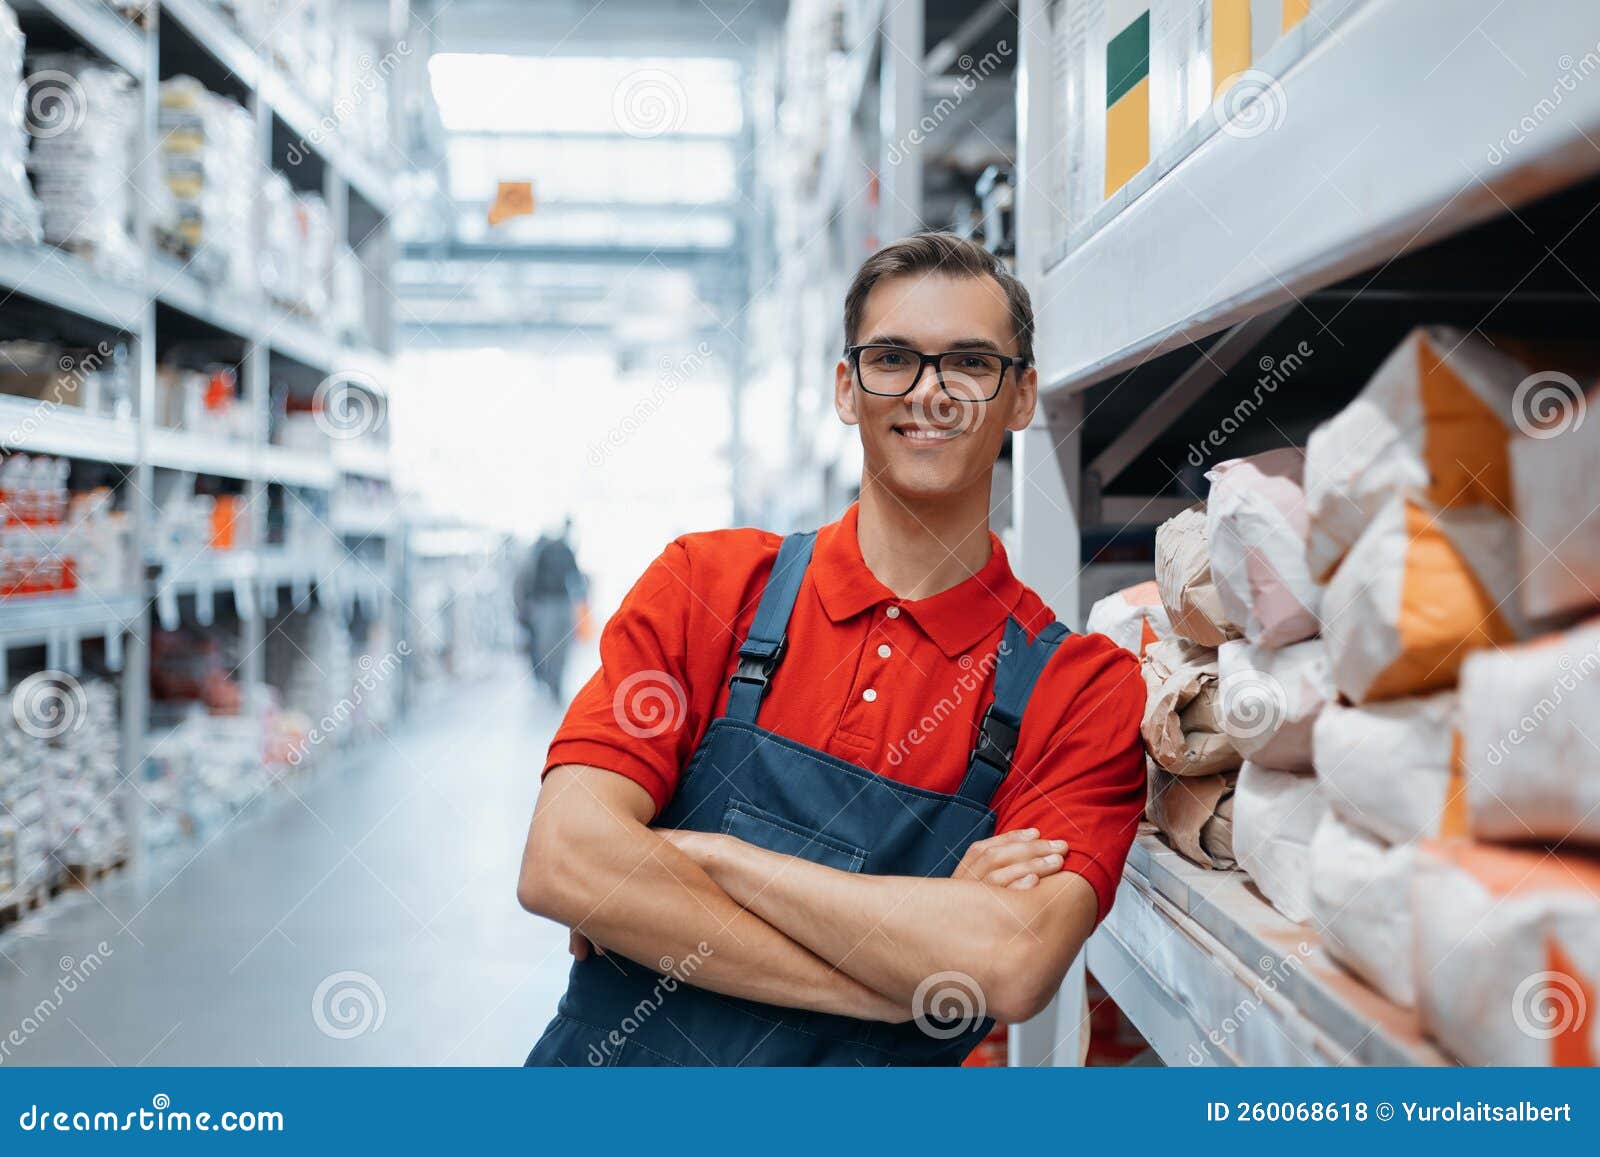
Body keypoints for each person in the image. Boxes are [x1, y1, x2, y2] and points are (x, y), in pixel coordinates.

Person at [517, 232, 1146, 1066]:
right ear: (847, 389)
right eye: (893, 358)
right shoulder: (708, 585)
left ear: (1022, 396)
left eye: (970, 363)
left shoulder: (1081, 687)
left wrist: (700, 855)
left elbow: (1012, 961)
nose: (931, 392)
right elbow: (564, 859)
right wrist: (894, 979)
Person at [513, 518, 584, 699]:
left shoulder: (565, 551)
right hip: (546, 604)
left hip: (560, 603)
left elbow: (575, 576)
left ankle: (555, 681)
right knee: (546, 645)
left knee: (559, 646)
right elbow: (529, 582)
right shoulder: (542, 553)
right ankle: (549, 678)